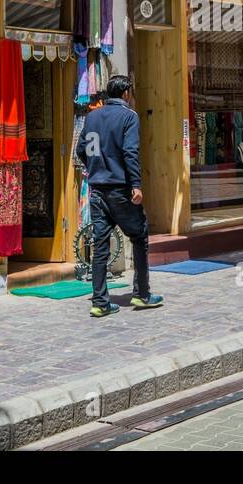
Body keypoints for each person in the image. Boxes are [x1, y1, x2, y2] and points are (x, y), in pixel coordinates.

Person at [75, 75, 163, 318]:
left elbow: (81, 149)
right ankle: (142, 294)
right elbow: (130, 152)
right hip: (120, 189)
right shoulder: (129, 116)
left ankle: (100, 301)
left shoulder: (92, 116)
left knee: (100, 244)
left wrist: (94, 168)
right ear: (126, 93)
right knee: (139, 235)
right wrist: (136, 184)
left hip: (97, 189)